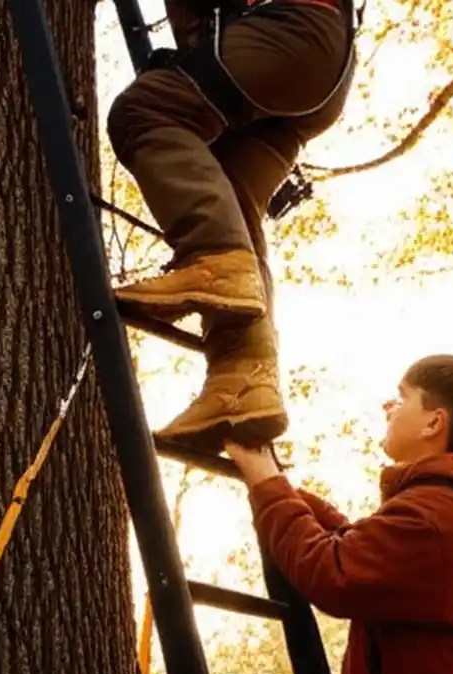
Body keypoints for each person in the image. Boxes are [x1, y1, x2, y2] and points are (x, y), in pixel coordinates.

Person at [105, 0, 356, 454]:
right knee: (233, 199)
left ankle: (215, 262)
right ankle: (242, 381)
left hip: (281, 36)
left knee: (144, 112)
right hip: (316, 64)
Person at [224, 354, 453, 674]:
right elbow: (356, 545)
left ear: (433, 422)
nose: (389, 407)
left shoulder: (432, 515)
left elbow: (333, 570)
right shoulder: (444, 507)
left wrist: (266, 481)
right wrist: (277, 487)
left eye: (402, 398)